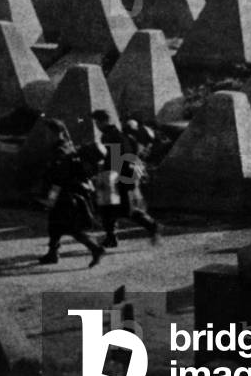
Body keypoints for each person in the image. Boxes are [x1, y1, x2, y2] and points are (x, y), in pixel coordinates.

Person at [37, 118, 105, 267]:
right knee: (54, 225)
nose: (46, 135)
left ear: (56, 133)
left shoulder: (60, 151)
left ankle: (96, 248)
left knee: (71, 228)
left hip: (64, 195)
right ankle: (52, 253)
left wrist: (50, 199)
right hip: (69, 193)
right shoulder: (68, 146)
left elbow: (58, 179)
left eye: (48, 132)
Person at [90, 110, 162, 248]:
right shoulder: (121, 135)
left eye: (97, 122)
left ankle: (152, 226)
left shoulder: (110, 136)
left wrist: (107, 178)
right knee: (113, 209)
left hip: (117, 177)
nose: (97, 125)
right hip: (125, 176)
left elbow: (115, 161)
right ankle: (111, 237)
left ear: (104, 121)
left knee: (119, 209)